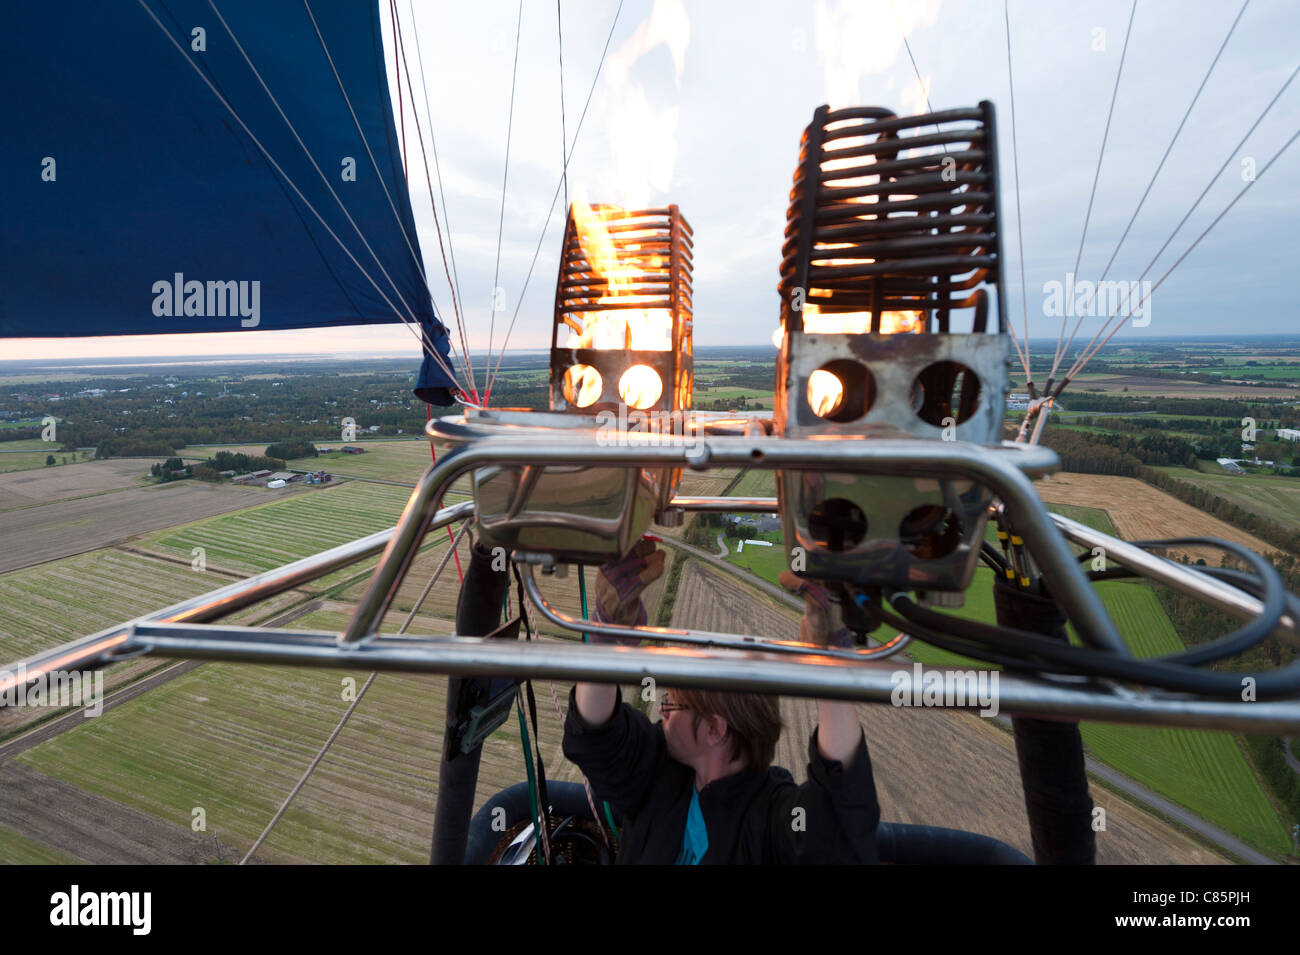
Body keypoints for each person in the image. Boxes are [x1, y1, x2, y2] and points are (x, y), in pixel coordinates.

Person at [561, 539, 881, 864]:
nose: (661, 711)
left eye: (672, 702)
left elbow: (838, 825)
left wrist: (831, 668)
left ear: (716, 729)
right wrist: (605, 635)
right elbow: (596, 738)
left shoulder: (770, 817)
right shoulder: (660, 771)